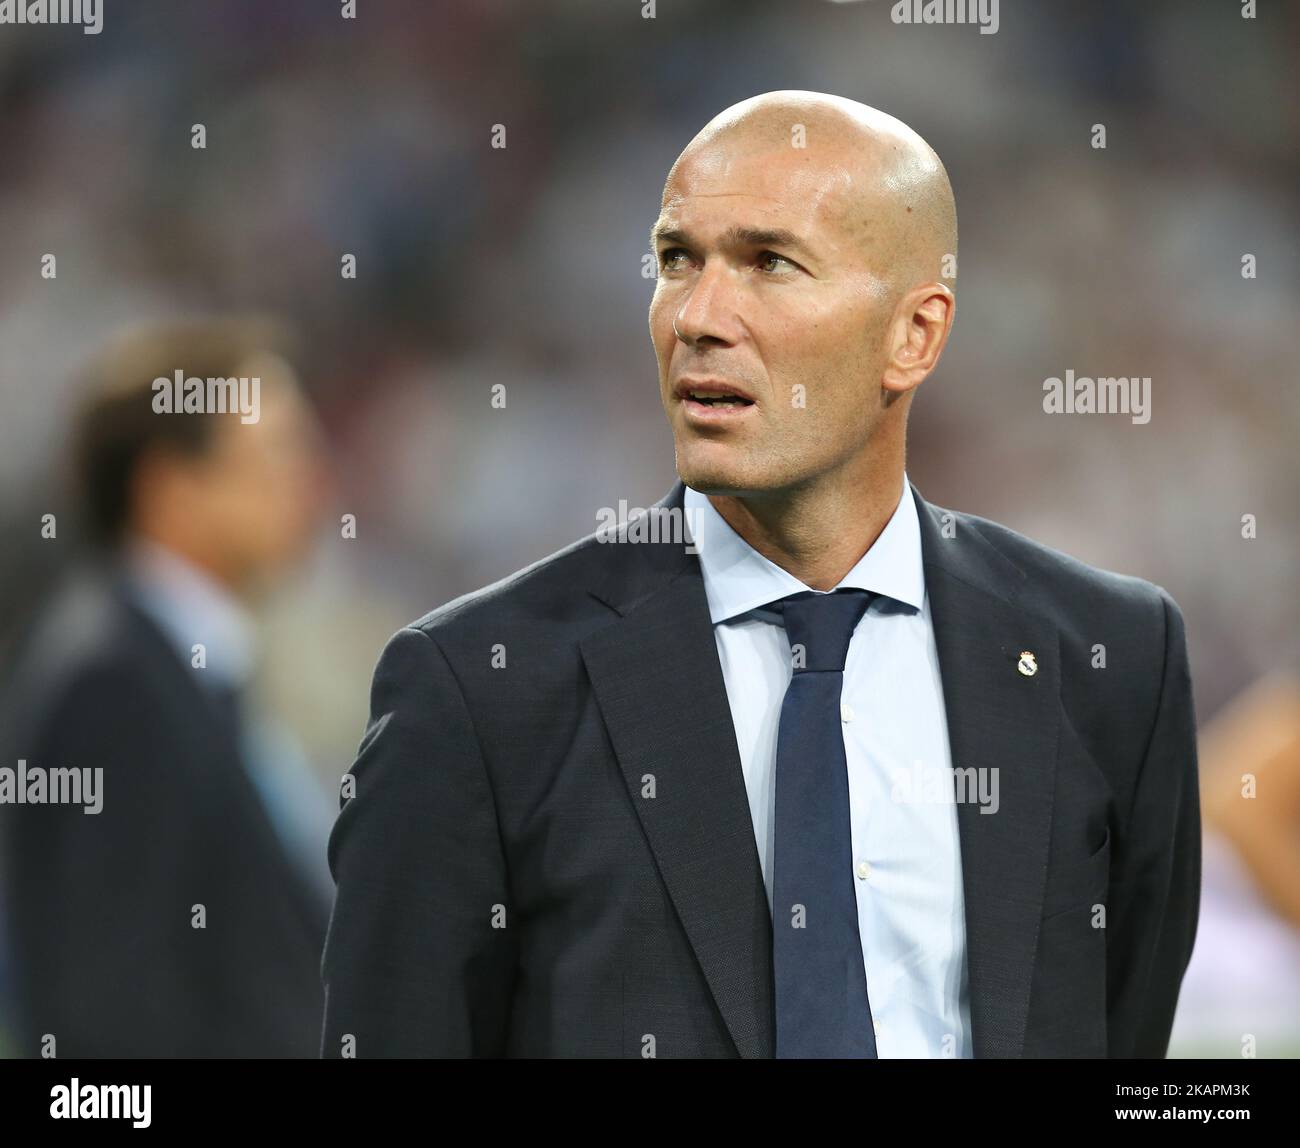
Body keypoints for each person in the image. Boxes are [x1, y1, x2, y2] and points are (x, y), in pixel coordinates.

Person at [321, 91, 1201, 1058]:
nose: (698, 316)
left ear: (914, 335)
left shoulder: (1112, 657)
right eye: (676, 261)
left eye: (770, 263)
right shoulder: (481, 686)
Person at [0, 317, 335, 1057]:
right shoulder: (109, 683)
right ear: (169, 486)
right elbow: (98, 1021)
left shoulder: (182, 671)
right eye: (277, 453)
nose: (310, 481)